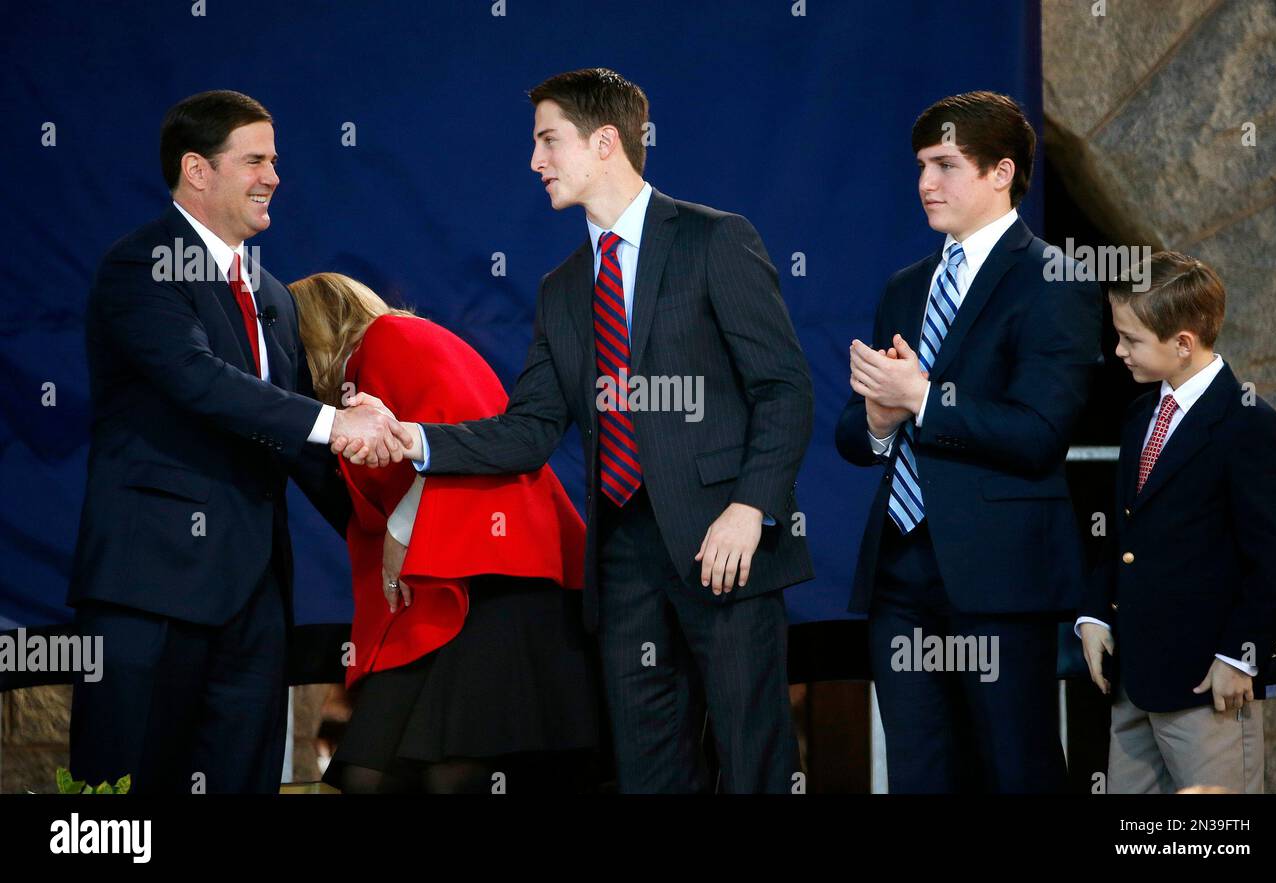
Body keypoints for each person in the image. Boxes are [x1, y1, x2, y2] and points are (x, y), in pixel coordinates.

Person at [338, 68, 815, 793]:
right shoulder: (562, 288)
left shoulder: (716, 240)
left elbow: (783, 387)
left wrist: (750, 510)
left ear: (605, 142)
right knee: (647, 770)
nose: (536, 161)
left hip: (726, 542)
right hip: (622, 561)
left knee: (754, 760)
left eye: (548, 140)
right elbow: (528, 430)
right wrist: (415, 439)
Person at [67, 91, 410, 794]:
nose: (274, 176)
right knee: (122, 805)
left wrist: (391, 535)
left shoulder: (272, 296)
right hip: (152, 590)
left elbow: (294, 441)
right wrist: (337, 423)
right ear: (198, 170)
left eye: (275, 160)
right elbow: (197, 379)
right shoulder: (141, 265)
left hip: (254, 600)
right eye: (255, 159)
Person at [835, 91, 1101, 793]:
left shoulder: (1054, 277)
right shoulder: (905, 287)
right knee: (920, 776)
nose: (926, 182)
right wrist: (881, 420)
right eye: (922, 164)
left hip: (1002, 580)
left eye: (945, 164)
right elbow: (852, 432)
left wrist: (923, 398)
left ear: (1001, 172)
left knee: (1018, 773)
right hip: (900, 577)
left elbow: (1040, 434)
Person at [288, 272, 598, 794]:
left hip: (497, 572)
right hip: (444, 580)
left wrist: (403, 531)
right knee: (380, 772)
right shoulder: (360, 378)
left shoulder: (391, 338)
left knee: (447, 772)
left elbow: (468, 429)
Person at [1078, 252, 1276, 793]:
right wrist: (1095, 615)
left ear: (1182, 343)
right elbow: (1124, 534)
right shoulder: (1138, 417)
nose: (1118, 351)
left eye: (1131, 339)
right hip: (1134, 682)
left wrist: (1239, 657)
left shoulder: (1246, 425)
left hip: (1208, 688)